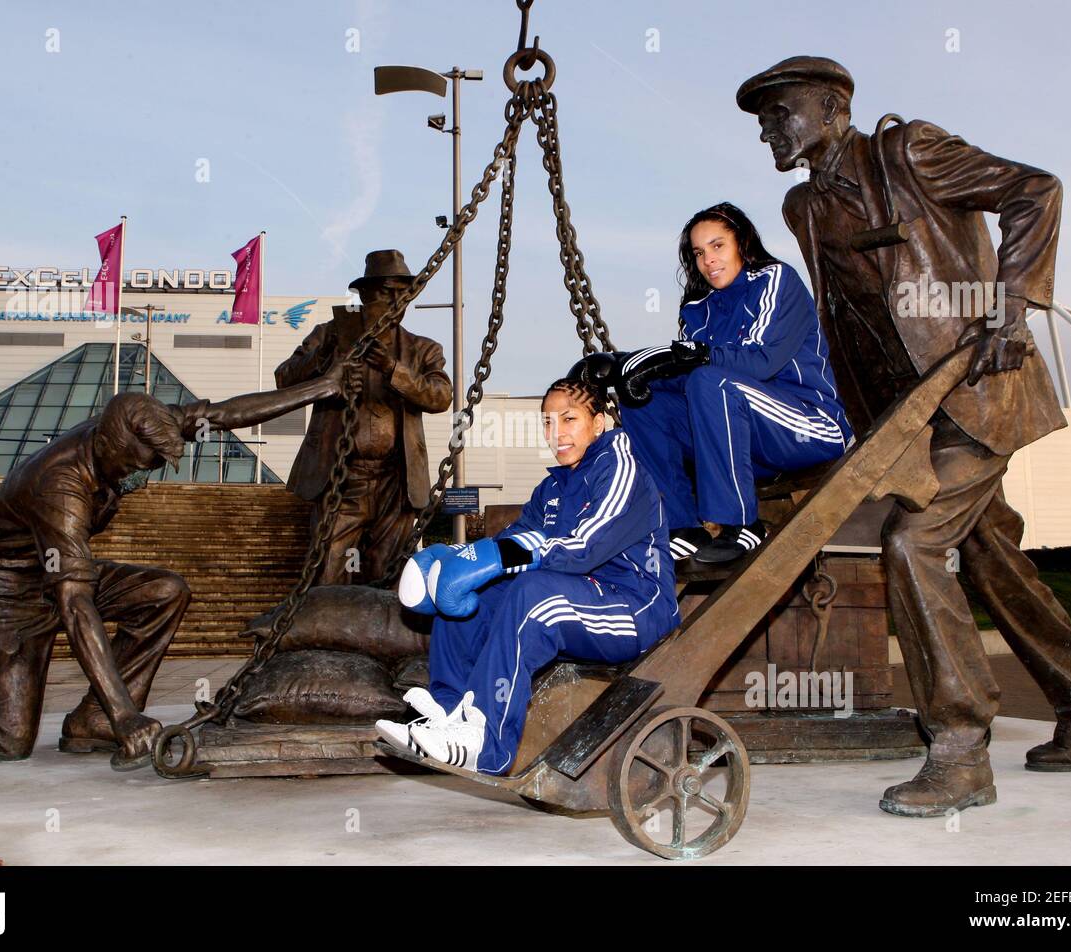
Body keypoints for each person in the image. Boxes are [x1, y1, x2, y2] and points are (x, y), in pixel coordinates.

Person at [736, 55, 1071, 815]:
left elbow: (1035, 191)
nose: (768, 133)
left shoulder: (908, 151)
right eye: (760, 123)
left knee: (913, 543)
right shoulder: (803, 208)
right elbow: (843, 322)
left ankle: (958, 751)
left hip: (978, 390)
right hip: (906, 416)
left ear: (831, 106)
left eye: (779, 115)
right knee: (987, 556)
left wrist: (1010, 306)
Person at [0, 366, 345, 771]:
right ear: (109, 445)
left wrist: (321, 387)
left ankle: (92, 721)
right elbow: (75, 606)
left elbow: (223, 413)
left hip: (57, 574)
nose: (145, 473)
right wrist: (127, 715)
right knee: (6, 740)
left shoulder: (140, 424)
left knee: (164, 591)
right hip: (7, 598)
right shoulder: (60, 488)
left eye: (155, 463)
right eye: (137, 465)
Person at [380, 378, 679, 775]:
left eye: (569, 419)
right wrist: (458, 560)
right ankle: (449, 713)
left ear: (601, 422)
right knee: (473, 594)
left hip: (633, 606)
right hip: (577, 597)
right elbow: (514, 542)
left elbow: (583, 547)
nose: (557, 433)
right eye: (548, 422)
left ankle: (486, 744)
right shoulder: (553, 487)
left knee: (533, 594)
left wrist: (498, 555)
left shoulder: (622, 468)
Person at [583, 202, 852, 564]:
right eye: (698, 252)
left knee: (712, 381)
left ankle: (740, 523)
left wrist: (690, 357)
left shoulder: (775, 280)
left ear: (741, 242)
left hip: (809, 426)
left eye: (717, 245)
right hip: (744, 445)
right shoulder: (698, 308)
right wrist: (628, 367)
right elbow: (686, 379)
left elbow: (762, 360)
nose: (708, 259)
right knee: (641, 397)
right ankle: (683, 525)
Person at [274, 249, 452, 585]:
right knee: (328, 569)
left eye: (404, 294)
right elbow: (284, 378)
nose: (397, 301)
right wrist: (328, 359)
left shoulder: (422, 349)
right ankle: (325, 635)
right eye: (388, 292)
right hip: (342, 477)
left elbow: (441, 395)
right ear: (365, 294)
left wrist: (393, 369)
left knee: (388, 576)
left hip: (395, 481)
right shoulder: (327, 335)